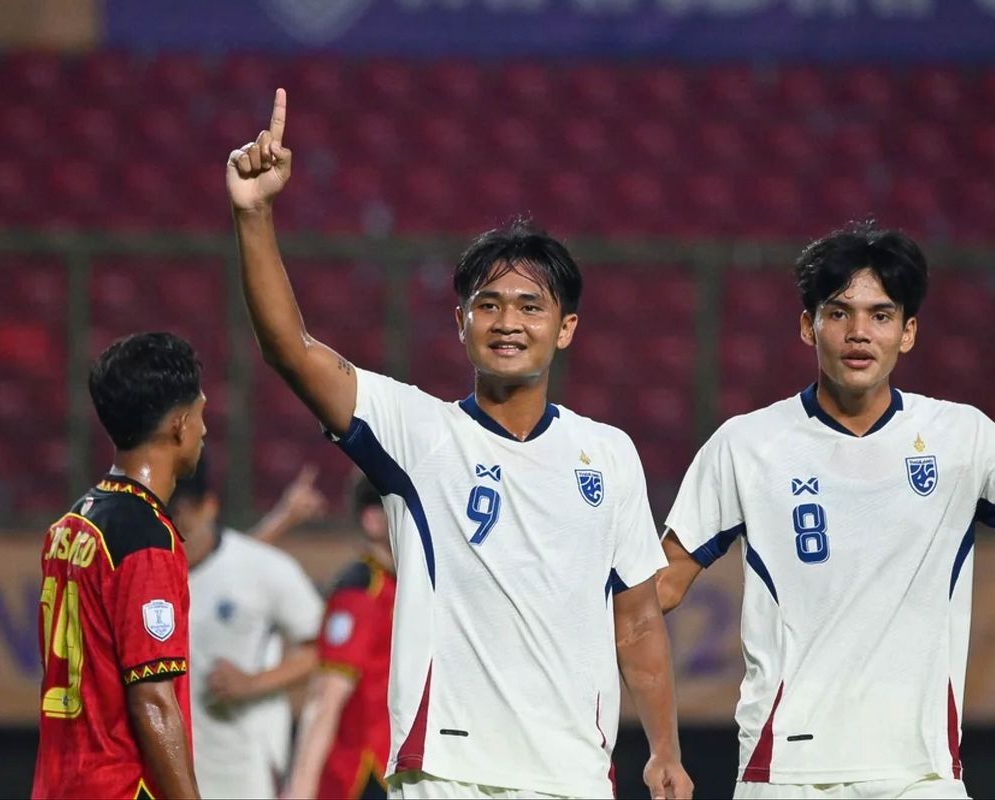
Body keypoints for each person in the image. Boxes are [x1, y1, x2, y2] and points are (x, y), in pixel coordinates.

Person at [226, 89, 692, 800]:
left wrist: (664, 750)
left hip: (573, 777)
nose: (508, 321)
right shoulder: (420, 435)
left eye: (531, 306)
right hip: (448, 776)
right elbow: (292, 349)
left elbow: (636, 622)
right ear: (460, 322)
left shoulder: (609, 454)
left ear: (566, 327)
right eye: (488, 304)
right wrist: (254, 215)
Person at [655, 221, 995, 799]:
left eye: (881, 315)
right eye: (838, 313)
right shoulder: (746, 444)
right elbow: (659, 587)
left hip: (922, 774)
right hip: (784, 771)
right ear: (806, 326)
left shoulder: (962, 438)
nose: (859, 332)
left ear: (908, 332)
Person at [32, 331, 206, 799]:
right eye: (202, 415)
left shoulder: (69, 526)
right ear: (180, 424)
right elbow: (152, 700)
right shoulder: (145, 537)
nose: (205, 430)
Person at [172, 454, 325, 799]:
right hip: (172, 770)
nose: (176, 528)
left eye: (182, 514)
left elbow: (322, 648)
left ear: (208, 507)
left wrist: (252, 683)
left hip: (246, 770)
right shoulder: (149, 572)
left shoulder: (265, 569)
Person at [286, 474, 396, 800]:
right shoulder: (359, 592)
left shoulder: (401, 586)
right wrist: (300, 790)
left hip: (398, 768)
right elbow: (325, 699)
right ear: (373, 520)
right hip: (363, 776)